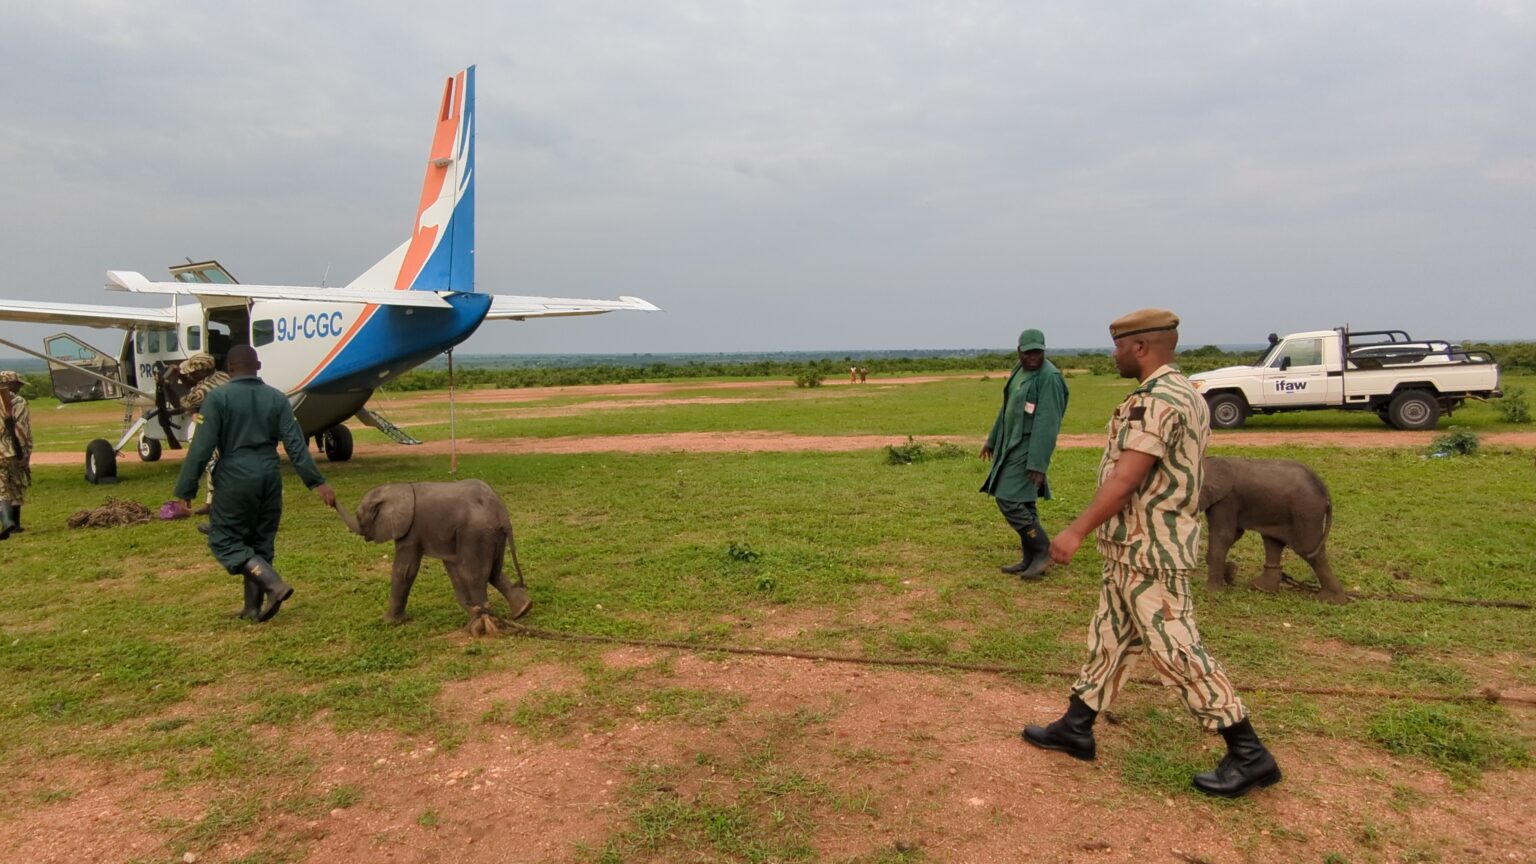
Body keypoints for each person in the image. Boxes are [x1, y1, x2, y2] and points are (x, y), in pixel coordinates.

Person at [1021, 308, 1281, 798]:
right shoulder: (1185, 391)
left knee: (1176, 649)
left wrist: (1075, 531)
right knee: (1110, 638)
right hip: (1133, 547)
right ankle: (1076, 727)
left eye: (1119, 346)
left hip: (1150, 549)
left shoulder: (1158, 400)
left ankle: (1249, 753)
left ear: (1140, 347)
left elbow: (1126, 479)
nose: (1114, 354)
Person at [173, 345, 336, 622]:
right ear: (258, 366)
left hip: (234, 477)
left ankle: (274, 585)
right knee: (260, 542)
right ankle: (252, 608)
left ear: (229, 369)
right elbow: (296, 445)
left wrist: (186, 490)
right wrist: (317, 482)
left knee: (224, 540)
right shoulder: (277, 398)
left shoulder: (217, 398)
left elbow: (201, 447)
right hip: (269, 477)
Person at [979, 329, 1068, 579]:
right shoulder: (1018, 370)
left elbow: (1048, 423)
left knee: (1007, 498)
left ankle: (1042, 550)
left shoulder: (1049, 377)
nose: (1033, 357)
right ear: (1019, 351)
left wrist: (1038, 463)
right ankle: (1030, 558)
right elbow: (1006, 408)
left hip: (1029, 447)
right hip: (1011, 444)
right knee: (1024, 501)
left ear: (1044, 350)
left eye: (1038, 352)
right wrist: (992, 440)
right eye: (1028, 352)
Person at [0, 370, 33, 540]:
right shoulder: (17, 402)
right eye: (17, 384)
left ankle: (8, 522)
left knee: (2, 487)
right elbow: (21, 430)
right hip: (11, 451)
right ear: (10, 384)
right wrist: (25, 452)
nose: (19, 388)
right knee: (16, 484)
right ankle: (14, 523)